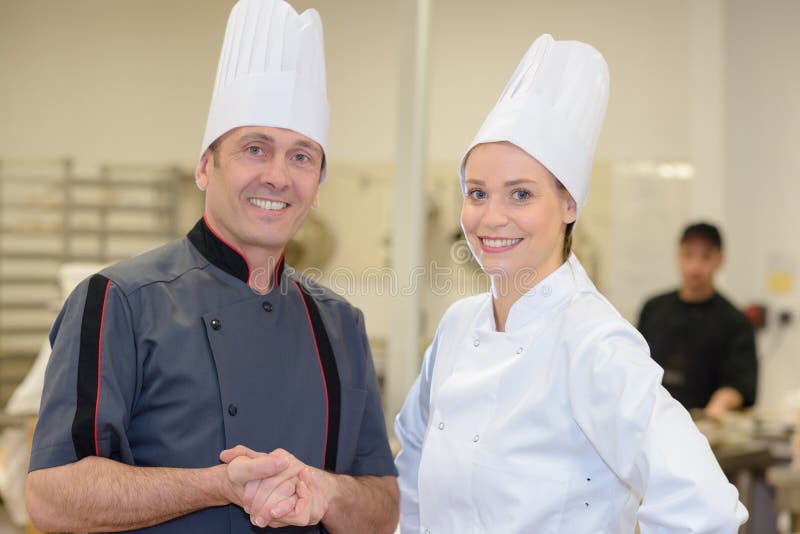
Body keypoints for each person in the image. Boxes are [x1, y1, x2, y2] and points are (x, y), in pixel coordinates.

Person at [24, 1, 398, 532]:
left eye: (301, 157)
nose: (277, 176)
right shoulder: (117, 301)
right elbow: (51, 497)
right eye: (254, 148)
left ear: (317, 188)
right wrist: (216, 485)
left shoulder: (341, 324)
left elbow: (382, 507)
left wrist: (327, 491)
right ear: (206, 166)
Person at [394, 34, 747, 532]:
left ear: (568, 204)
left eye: (520, 194)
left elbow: (704, 507)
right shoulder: (457, 328)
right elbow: (409, 473)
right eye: (477, 192)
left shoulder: (593, 341)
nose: (491, 217)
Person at [637, 222, 758, 420]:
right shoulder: (653, 309)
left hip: (704, 430)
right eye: (688, 255)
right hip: (652, 423)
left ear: (720, 260)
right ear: (678, 256)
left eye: (706, 257)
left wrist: (719, 404)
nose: (695, 266)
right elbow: (637, 366)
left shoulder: (736, 322)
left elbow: (741, 386)